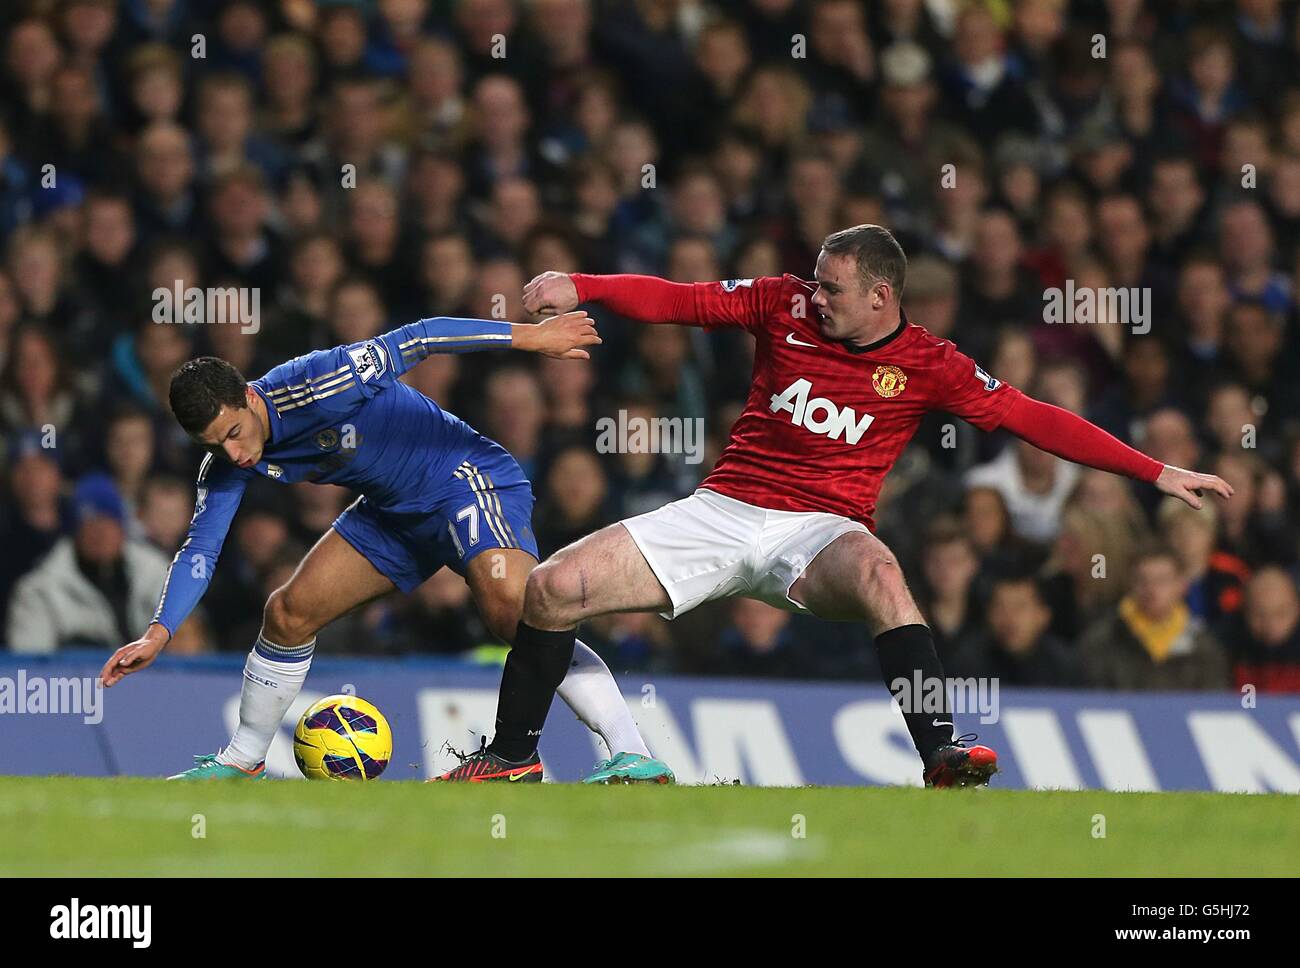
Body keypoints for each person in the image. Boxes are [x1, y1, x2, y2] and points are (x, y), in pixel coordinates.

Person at [438, 223, 1233, 788]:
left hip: (821, 535)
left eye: (833, 287)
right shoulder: (779, 304)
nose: (814, 296)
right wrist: (588, 286)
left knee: (886, 577)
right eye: (815, 282)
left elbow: (1034, 417)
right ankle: (512, 756)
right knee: (550, 589)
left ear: (881, 295)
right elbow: (680, 300)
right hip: (722, 511)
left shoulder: (930, 364)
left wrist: (1153, 470)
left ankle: (940, 754)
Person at [99, 308, 673, 785]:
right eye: (213, 445)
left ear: (249, 398)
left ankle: (629, 750)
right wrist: (159, 631)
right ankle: (243, 758)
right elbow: (200, 548)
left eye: (233, 433)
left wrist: (532, 336)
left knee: (518, 613)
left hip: (462, 478)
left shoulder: (317, 382)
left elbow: (420, 337)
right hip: (392, 513)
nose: (234, 454)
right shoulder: (222, 464)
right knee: (288, 612)